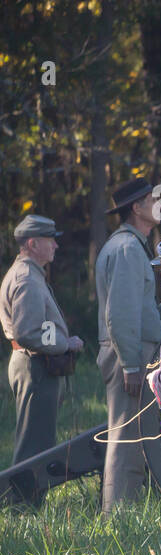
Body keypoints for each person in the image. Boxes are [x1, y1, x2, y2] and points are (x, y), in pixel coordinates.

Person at [0, 214, 84, 502]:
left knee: (38, 439)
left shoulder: (29, 273)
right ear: (33, 243)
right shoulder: (26, 277)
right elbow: (29, 332)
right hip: (34, 366)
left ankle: (25, 501)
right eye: (51, 240)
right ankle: (20, 504)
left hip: (34, 365)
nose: (56, 246)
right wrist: (66, 344)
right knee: (33, 444)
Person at [96, 177, 161, 514]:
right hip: (130, 352)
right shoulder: (126, 248)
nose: (160, 203)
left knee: (135, 434)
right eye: (154, 199)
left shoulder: (130, 245)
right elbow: (120, 314)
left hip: (135, 351)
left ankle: (127, 509)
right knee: (126, 439)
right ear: (137, 208)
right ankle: (118, 515)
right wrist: (132, 364)